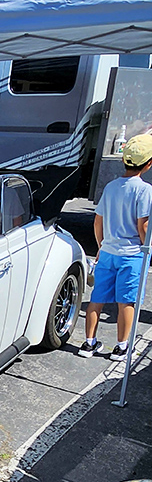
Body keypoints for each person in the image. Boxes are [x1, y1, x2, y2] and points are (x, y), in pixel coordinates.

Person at [78, 133, 152, 360]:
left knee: (96, 298)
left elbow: (98, 220)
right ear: (148, 164)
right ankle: (121, 347)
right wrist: (147, 247)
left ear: (123, 160)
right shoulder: (144, 190)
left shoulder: (110, 187)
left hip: (108, 251)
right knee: (126, 301)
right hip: (132, 255)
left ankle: (88, 344)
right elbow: (144, 225)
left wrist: (101, 245)